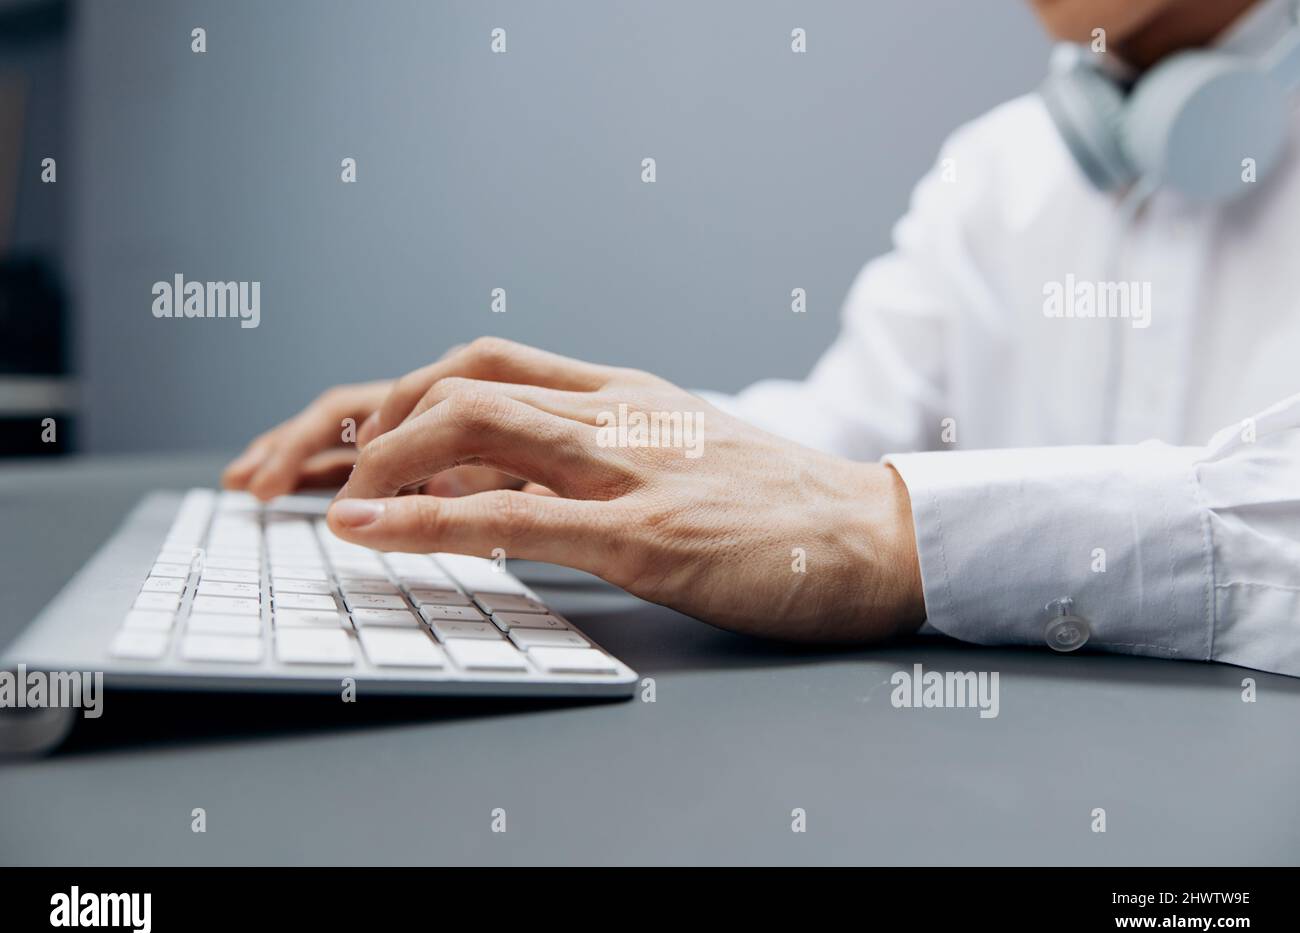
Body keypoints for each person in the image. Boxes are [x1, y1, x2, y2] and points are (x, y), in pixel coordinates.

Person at [224, 0, 1300, 677]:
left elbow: (853, 505)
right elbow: (829, 446)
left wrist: (894, 534)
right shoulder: (1000, 171)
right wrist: (543, 448)